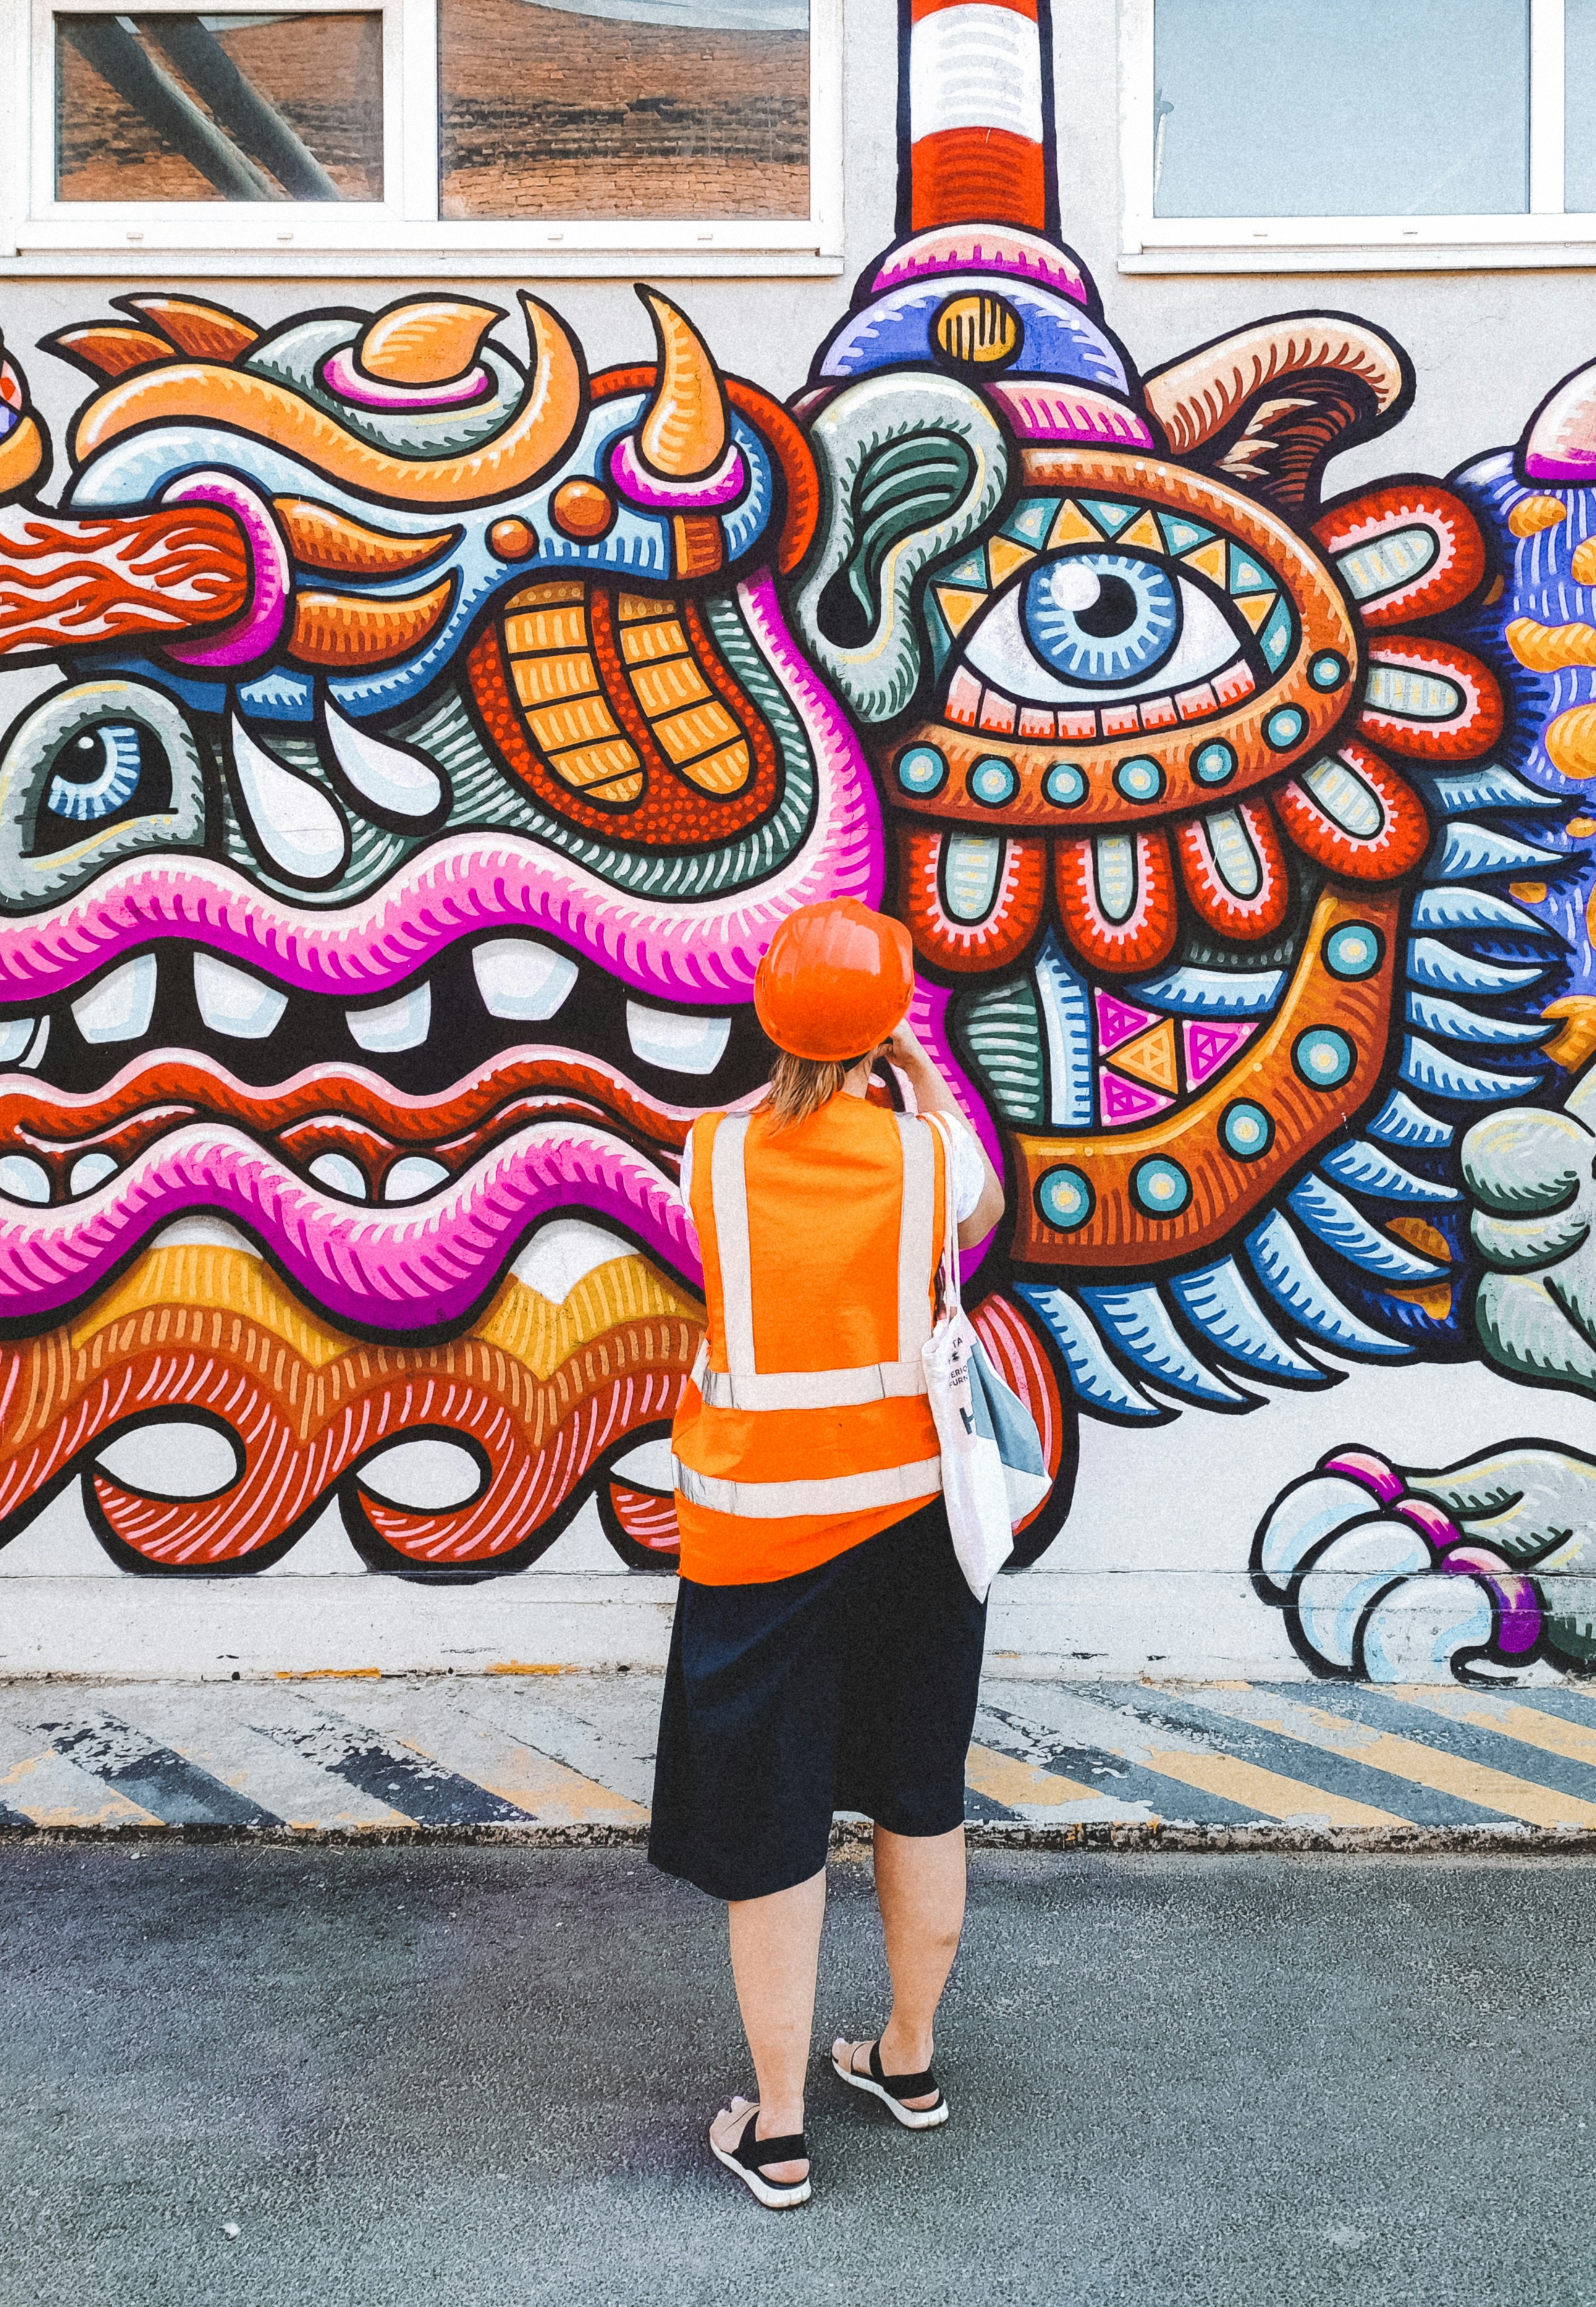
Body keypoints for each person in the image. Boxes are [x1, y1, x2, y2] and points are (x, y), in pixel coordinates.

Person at [647, 897, 1007, 2209]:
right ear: (888, 1027)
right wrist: (916, 1078)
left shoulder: (708, 1155)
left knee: (774, 1823)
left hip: (760, 1541)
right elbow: (977, 1209)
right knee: (919, 1791)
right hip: (915, 1529)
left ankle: (783, 2127)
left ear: (767, 1016)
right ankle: (906, 2059)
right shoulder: (928, 1157)